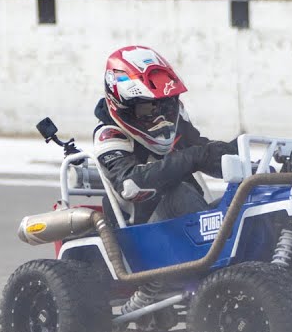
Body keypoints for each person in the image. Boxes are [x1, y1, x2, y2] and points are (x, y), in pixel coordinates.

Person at [92, 45, 237, 224]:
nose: (160, 117)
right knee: (180, 193)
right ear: (123, 106)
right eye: (147, 108)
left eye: (166, 105)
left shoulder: (174, 122)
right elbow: (129, 184)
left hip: (181, 227)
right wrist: (195, 157)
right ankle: (220, 247)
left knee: (245, 197)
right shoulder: (109, 134)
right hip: (140, 233)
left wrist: (243, 156)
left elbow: (205, 154)